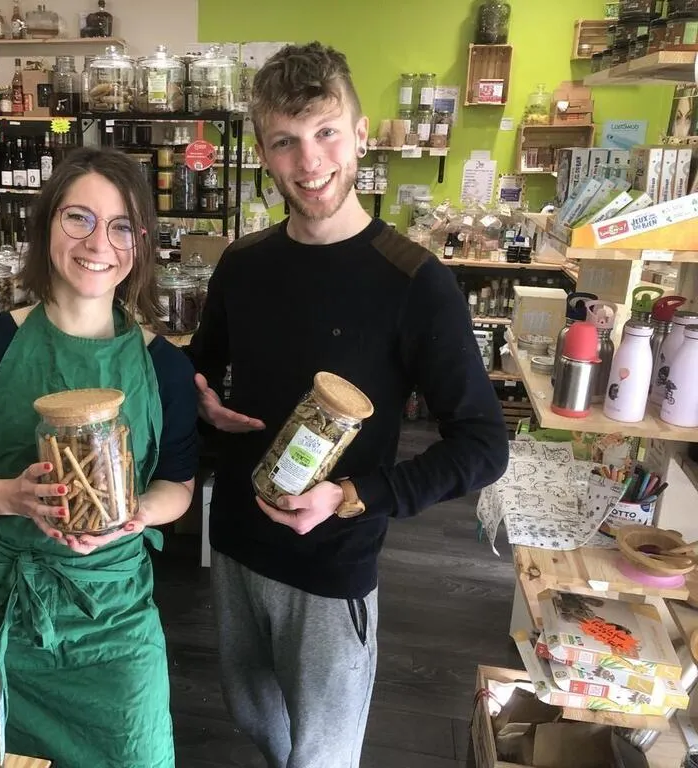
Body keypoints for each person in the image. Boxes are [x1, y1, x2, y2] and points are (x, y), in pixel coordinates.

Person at [186, 42, 509, 768]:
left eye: (327, 132)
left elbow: (484, 443)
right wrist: (198, 398)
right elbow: (200, 369)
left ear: (362, 133)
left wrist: (356, 496)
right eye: (287, 142)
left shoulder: (416, 281)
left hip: (331, 563)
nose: (310, 162)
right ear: (266, 154)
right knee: (251, 712)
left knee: (322, 753)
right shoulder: (244, 264)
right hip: (236, 540)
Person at [0, 146, 198, 768]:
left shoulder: (164, 364)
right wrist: (8, 495)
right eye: (78, 218)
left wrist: (137, 512)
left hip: (111, 615)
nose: (99, 243)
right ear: (45, 226)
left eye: (121, 226)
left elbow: (178, 482)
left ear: (140, 243)